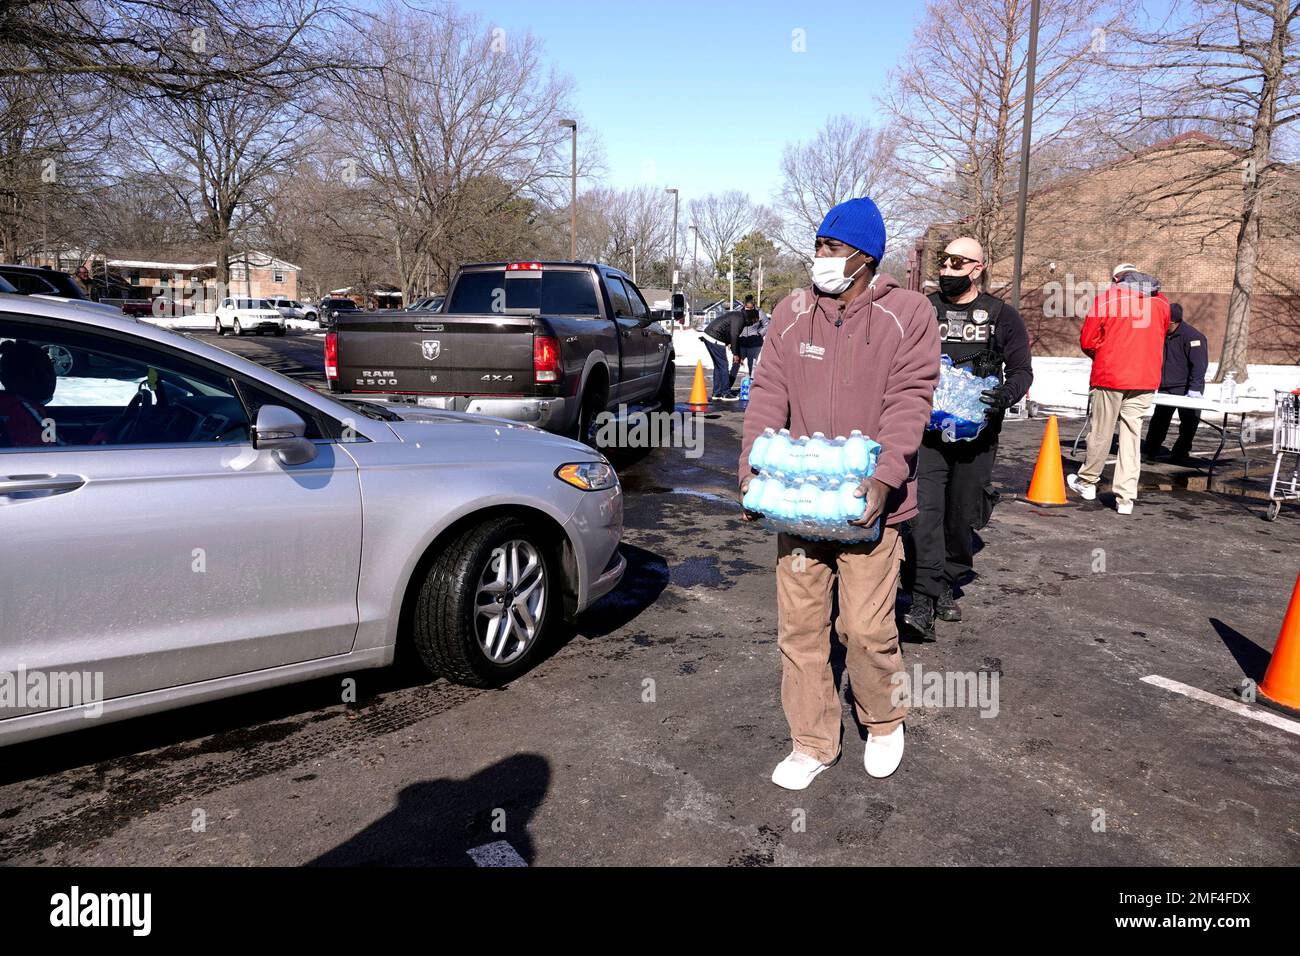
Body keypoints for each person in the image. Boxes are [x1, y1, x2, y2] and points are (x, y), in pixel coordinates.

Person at [739, 196, 940, 789]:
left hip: (868, 504)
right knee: (800, 630)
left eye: (831, 248)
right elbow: (768, 392)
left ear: (864, 256)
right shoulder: (793, 313)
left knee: (864, 627)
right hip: (801, 504)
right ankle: (811, 741)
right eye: (818, 246)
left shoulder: (907, 314)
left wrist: (884, 477)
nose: (820, 259)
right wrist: (752, 470)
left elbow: (911, 398)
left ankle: (882, 720)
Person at [900, 237, 1033, 643]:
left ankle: (945, 580)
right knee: (924, 513)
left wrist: (1004, 397)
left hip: (976, 436)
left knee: (962, 517)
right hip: (928, 433)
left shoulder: (1001, 315)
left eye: (956, 262)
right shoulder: (924, 309)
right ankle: (923, 598)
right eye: (942, 261)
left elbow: (1023, 370)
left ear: (977, 268)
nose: (945, 269)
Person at [1067, 263, 1170, 514]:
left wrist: (1103, 355)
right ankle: (1125, 497)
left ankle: (1088, 481)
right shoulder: (1161, 303)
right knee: (1131, 436)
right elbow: (1160, 334)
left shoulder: (1109, 300)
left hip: (1111, 375)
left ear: (1116, 279)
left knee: (1101, 431)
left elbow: (1088, 340)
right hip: (1145, 377)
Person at [1143, 302, 1208, 464]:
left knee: (1188, 423)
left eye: (1165, 320)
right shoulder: (1162, 334)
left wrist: (1195, 389)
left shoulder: (1193, 337)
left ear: (1173, 322)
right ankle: (1150, 450)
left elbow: (1199, 366)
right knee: (1159, 421)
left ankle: (1181, 451)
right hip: (1166, 386)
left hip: (1187, 388)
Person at [0, 340, 57, 447]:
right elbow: (47, 455)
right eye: (37, 373)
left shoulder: (23, 408)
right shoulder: (21, 416)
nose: (48, 378)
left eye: (49, 369)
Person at [700, 301, 757, 402]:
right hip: (715, 337)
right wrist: (735, 354)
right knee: (723, 366)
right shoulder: (740, 319)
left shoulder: (738, 315)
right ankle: (725, 393)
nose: (752, 323)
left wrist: (731, 345)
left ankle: (716, 393)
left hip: (709, 334)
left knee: (718, 366)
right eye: (753, 321)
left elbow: (729, 333)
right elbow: (734, 335)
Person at [734, 295, 769, 379]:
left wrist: (759, 334)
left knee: (752, 365)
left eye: (751, 307)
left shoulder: (759, 312)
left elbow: (767, 325)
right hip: (741, 342)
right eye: (747, 307)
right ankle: (727, 387)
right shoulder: (739, 312)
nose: (749, 309)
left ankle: (752, 385)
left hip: (754, 343)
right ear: (744, 304)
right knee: (736, 364)